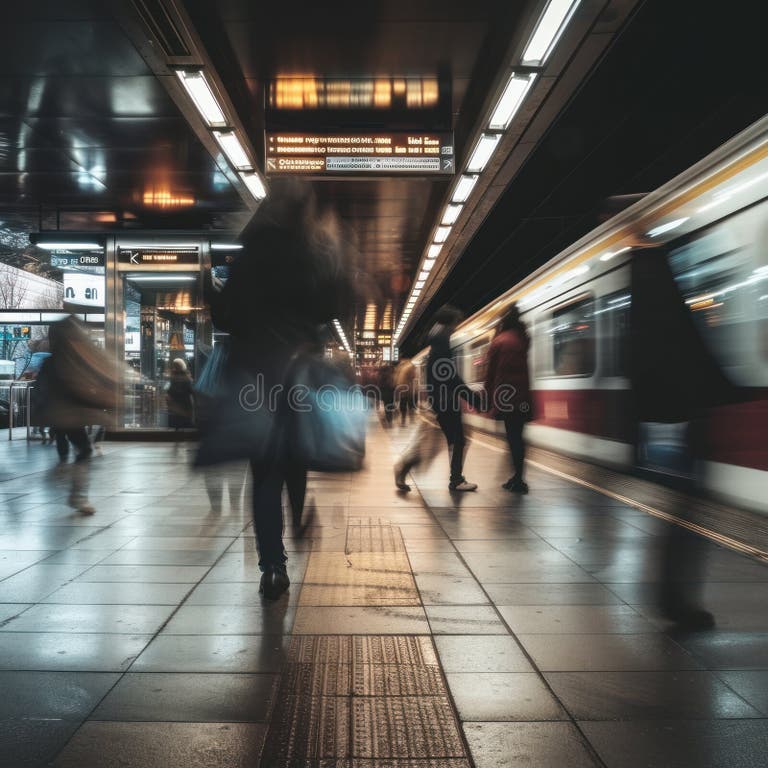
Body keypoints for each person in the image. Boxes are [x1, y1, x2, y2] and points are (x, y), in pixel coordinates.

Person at [203, 182, 355, 600]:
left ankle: (272, 566)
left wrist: (214, 293)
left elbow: (225, 316)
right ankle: (300, 519)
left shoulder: (249, 254)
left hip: (255, 378)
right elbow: (331, 306)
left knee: (265, 472)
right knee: (296, 456)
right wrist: (336, 255)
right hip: (296, 376)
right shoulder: (309, 253)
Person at [395, 305, 479, 492]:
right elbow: (450, 377)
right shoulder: (442, 342)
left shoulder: (437, 339)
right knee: (454, 440)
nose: (456, 327)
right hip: (445, 401)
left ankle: (405, 468)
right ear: (450, 322)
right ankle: (455, 480)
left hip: (440, 400)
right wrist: (473, 399)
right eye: (455, 323)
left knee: (442, 441)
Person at [484, 304, 533, 493]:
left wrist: (487, 398)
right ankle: (518, 477)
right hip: (522, 397)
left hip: (507, 398)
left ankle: (518, 480)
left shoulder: (500, 341)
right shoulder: (523, 338)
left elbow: (491, 374)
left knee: (513, 438)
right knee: (518, 437)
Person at [166, 358, 195, 434]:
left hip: (176, 405)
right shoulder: (187, 377)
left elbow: (169, 390)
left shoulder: (173, 378)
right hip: (185, 404)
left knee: (177, 423)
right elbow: (191, 390)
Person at [394, 357, 417, 425]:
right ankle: (411, 420)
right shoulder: (410, 366)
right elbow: (413, 376)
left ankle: (403, 421)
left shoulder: (400, 367)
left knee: (403, 405)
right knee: (410, 405)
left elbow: (396, 378)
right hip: (409, 389)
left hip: (401, 388)